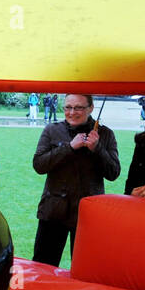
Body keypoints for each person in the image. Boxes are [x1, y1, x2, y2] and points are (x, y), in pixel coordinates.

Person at [32, 94, 119, 266]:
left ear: (90, 108)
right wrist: (69, 147)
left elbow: (113, 172)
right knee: (43, 266)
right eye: (67, 107)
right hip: (53, 211)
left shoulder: (105, 134)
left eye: (78, 107)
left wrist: (97, 148)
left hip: (88, 214)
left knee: (86, 268)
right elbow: (39, 165)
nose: (72, 112)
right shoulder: (52, 130)